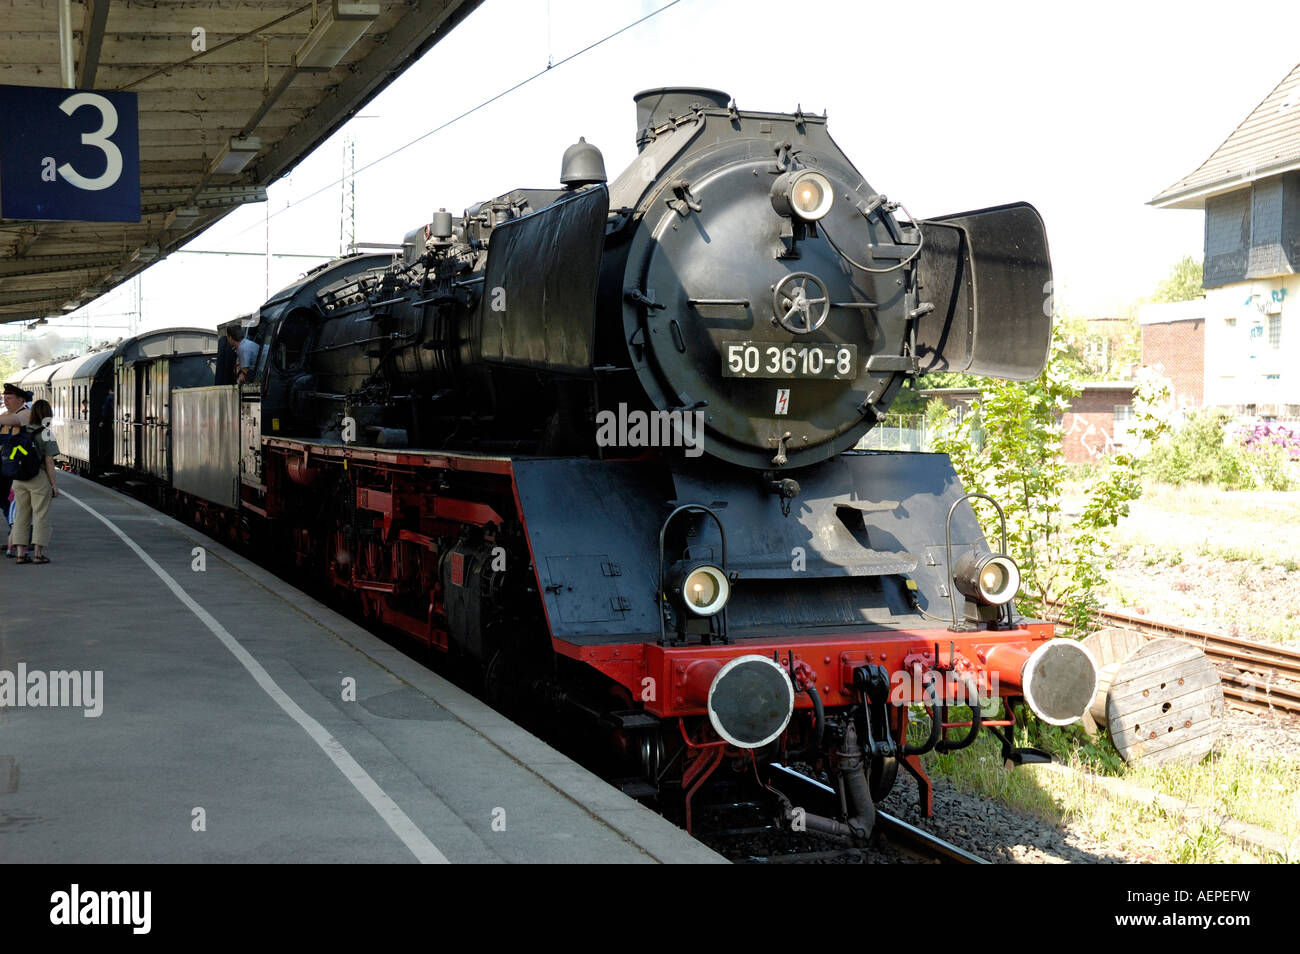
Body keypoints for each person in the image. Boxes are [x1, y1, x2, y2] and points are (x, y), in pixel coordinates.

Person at [0, 397, 58, 564]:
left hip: (19, 479)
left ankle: (19, 553)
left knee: (20, 516)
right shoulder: (45, 433)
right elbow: (49, 461)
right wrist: (54, 485)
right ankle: (38, 554)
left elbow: (11, 455)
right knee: (40, 516)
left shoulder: (22, 430)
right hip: (38, 478)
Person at [1, 382, 32, 558]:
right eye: (4, 398)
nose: (6, 401)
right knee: (6, 503)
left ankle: (19, 539)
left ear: (20, 399)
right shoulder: (6, 414)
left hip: (18, 468)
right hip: (6, 466)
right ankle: (15, 537)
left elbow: (16, 421)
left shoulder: (25, 413)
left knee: (15, 504)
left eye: (9, 398)